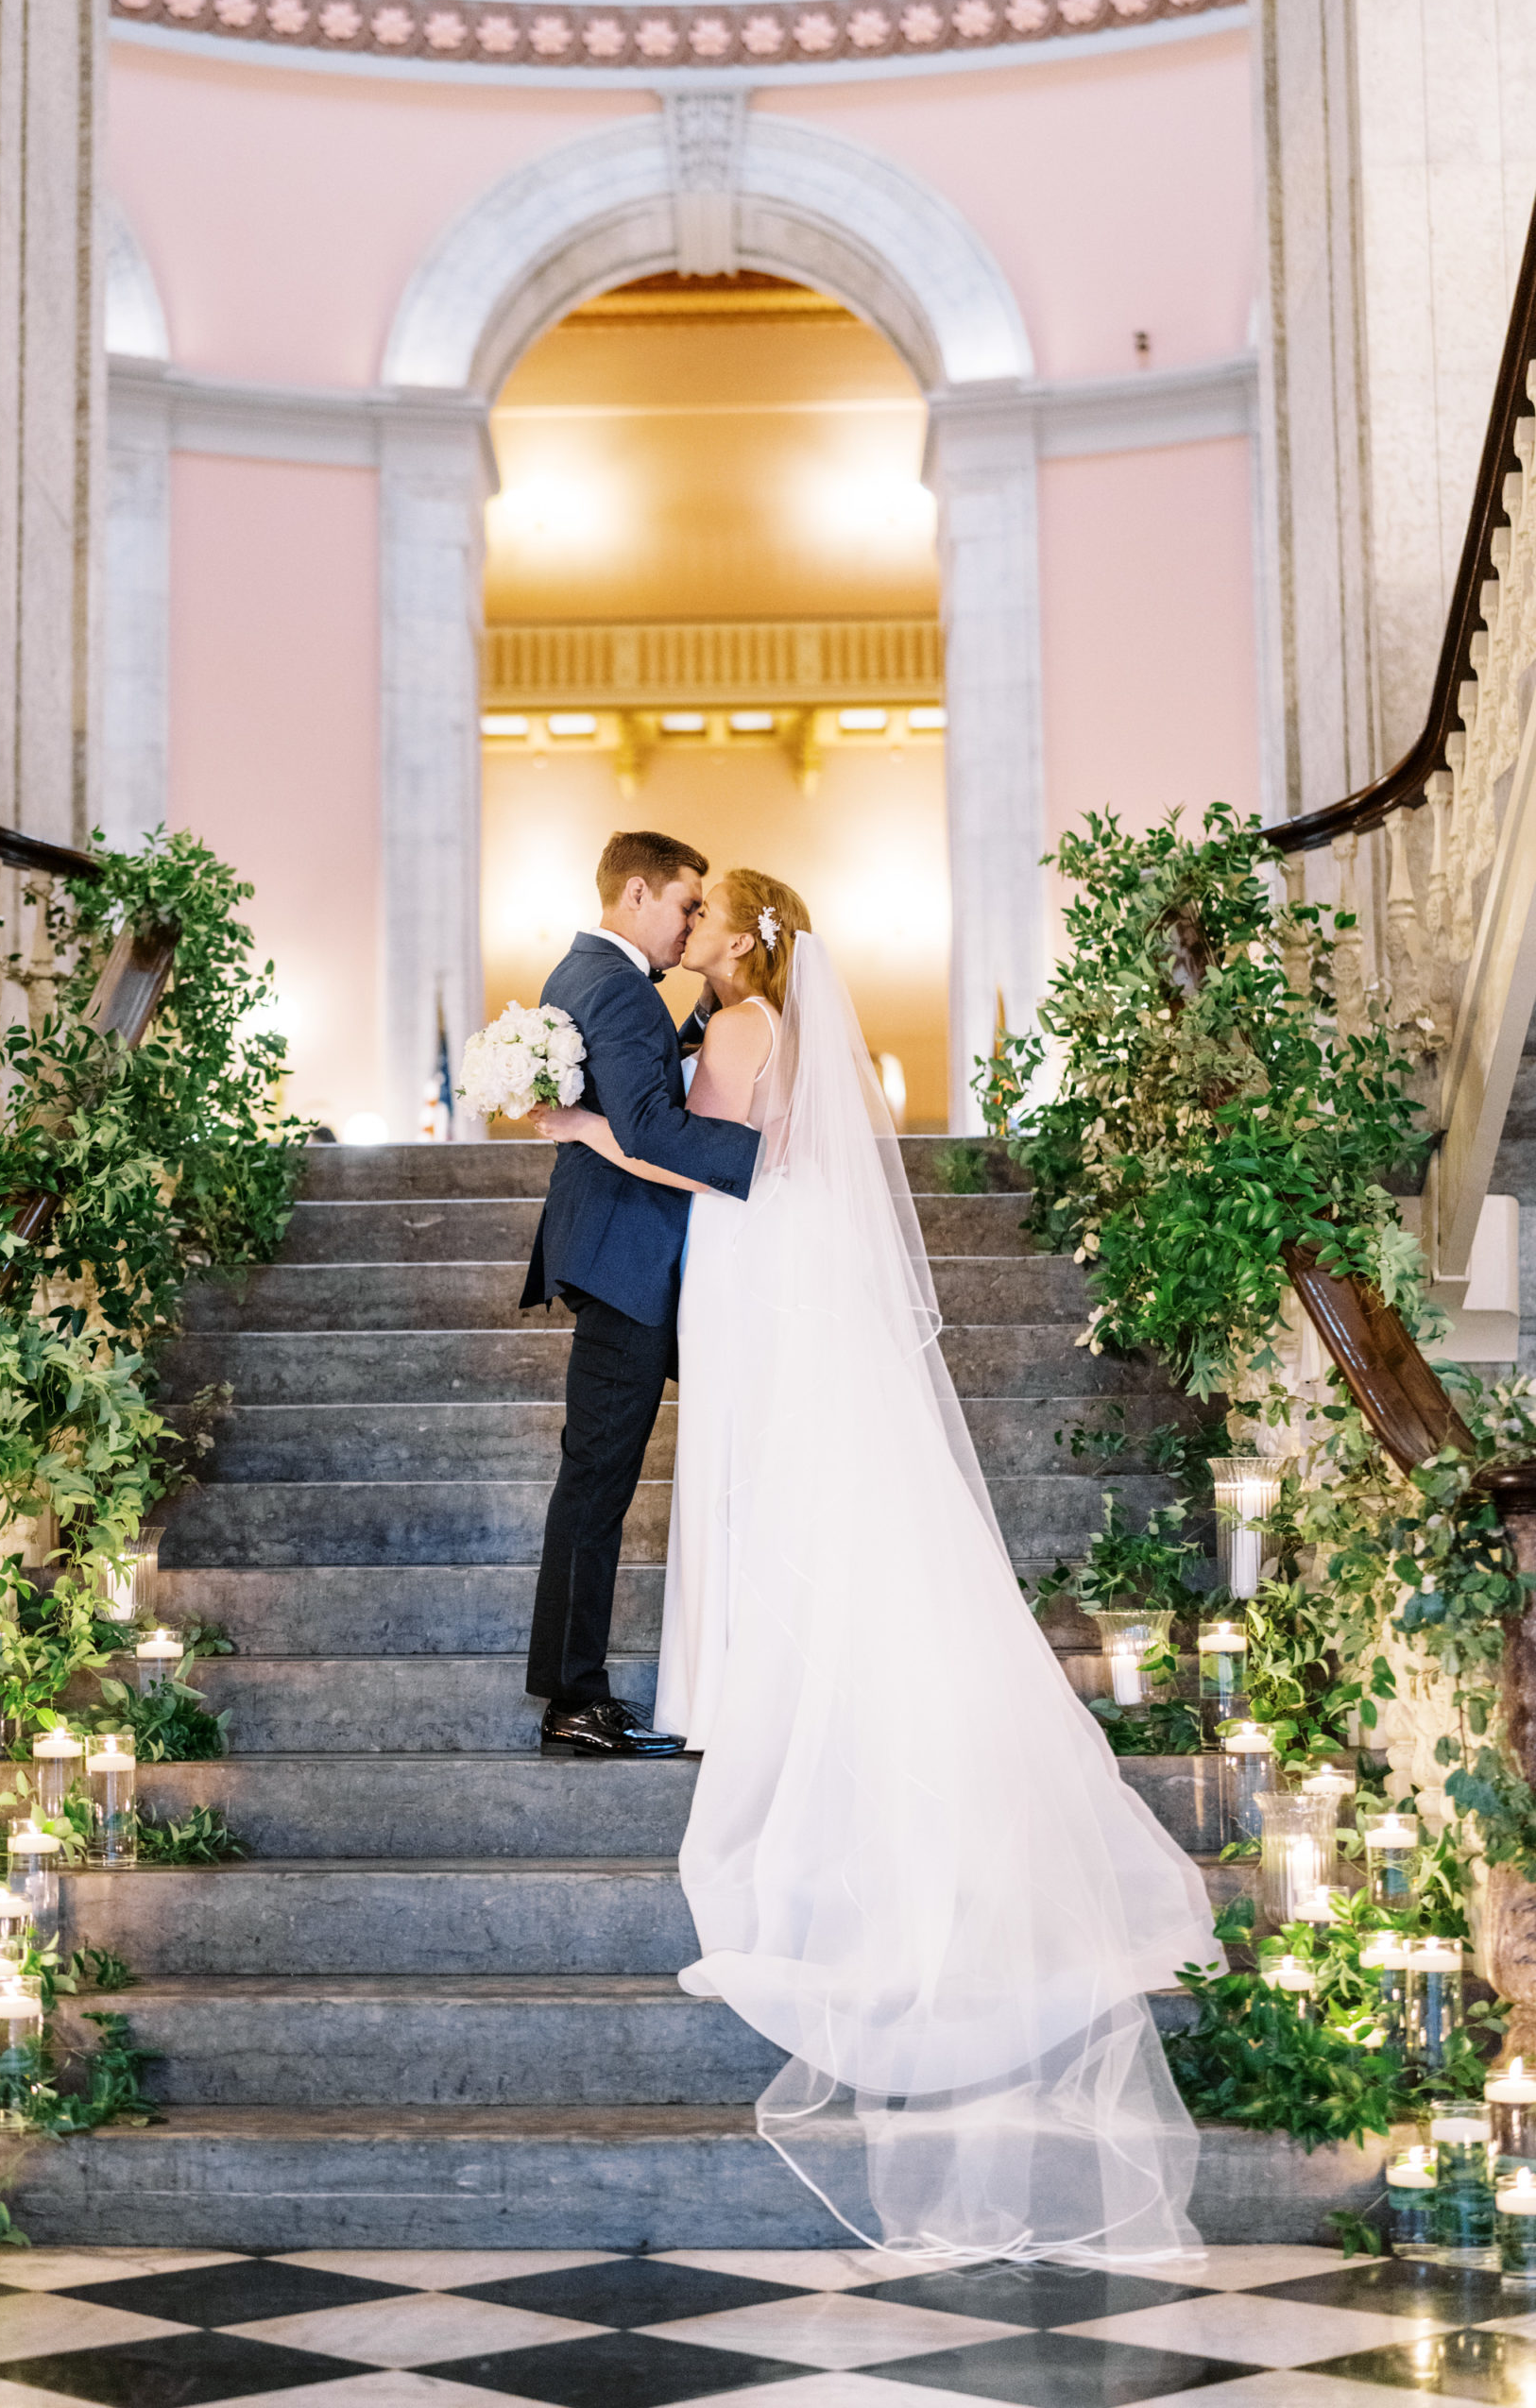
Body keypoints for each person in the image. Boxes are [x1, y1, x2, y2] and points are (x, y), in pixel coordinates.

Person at [536, 869, 1218, 2265]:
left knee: (769, 1487)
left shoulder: (734, 1029)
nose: (697, 934)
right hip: (773, 1272)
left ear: (741, 938)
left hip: (749, 1265)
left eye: (709, 918)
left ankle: (766, 1682)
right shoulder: (764, 1023)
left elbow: (697, 1157)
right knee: (792, 1485)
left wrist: (579, 1127)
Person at [521, 831, 764, 1759]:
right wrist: (770, 1161)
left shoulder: (590, 975)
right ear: (635, 892)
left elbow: (632, 1091)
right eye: (685, 903)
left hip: (621, 1252)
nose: (693, 921)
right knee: (595, 1480)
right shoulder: (618, 987)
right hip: (629, 1260)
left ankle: (579, 1691)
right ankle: (574, 1700)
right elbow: (655, 1130)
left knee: (600, 1474)